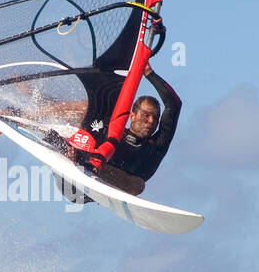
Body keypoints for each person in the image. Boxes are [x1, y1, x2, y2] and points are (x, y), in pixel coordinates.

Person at [69, 64, 181, 195]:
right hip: (70, 177)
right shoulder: (113, 130)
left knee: (138, 185)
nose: (151, 121)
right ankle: (40, 113)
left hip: (90, 190)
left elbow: (174, 105)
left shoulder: (156, 146)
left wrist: (149, 73)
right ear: (132, 116)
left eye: (155, 118)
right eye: (146, 115)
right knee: (88, 108)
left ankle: (87, 162)